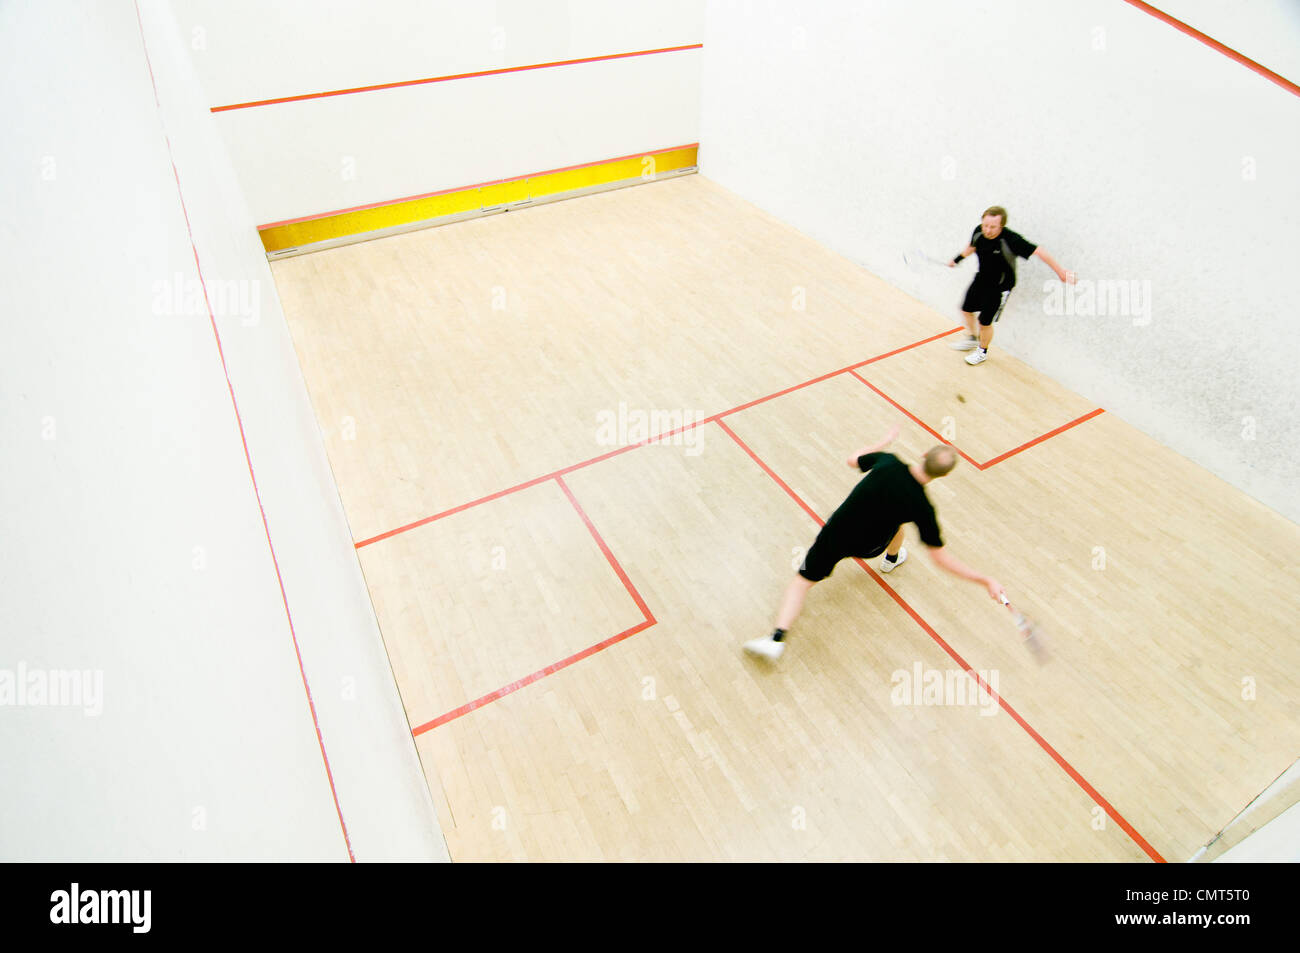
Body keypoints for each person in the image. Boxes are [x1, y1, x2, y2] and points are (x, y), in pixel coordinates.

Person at [743, 426, 1005, 660]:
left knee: (801, 583)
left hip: (835, 535)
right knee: (898, 523)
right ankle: (891, 559)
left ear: (924, 454)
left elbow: (851, 459)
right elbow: (941, 558)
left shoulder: (887, 462)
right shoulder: (923, 507)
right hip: (870, 547)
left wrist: (884, 441)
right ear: (942, 476)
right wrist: (985, 580)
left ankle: (776, 639)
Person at [947, 206, 1074, 366]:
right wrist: (957, 259)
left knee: (984, 322)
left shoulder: (1011, 240)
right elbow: (972, 246)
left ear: (1001, 226)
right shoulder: (979, 231)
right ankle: (972, 338)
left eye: (993, 227)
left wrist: (1061, 272)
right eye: (985, 225)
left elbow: (1040, 251)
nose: (988, 230)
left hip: (1000, 287)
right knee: (966, 310)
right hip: (981, 279)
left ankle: (982, 351)